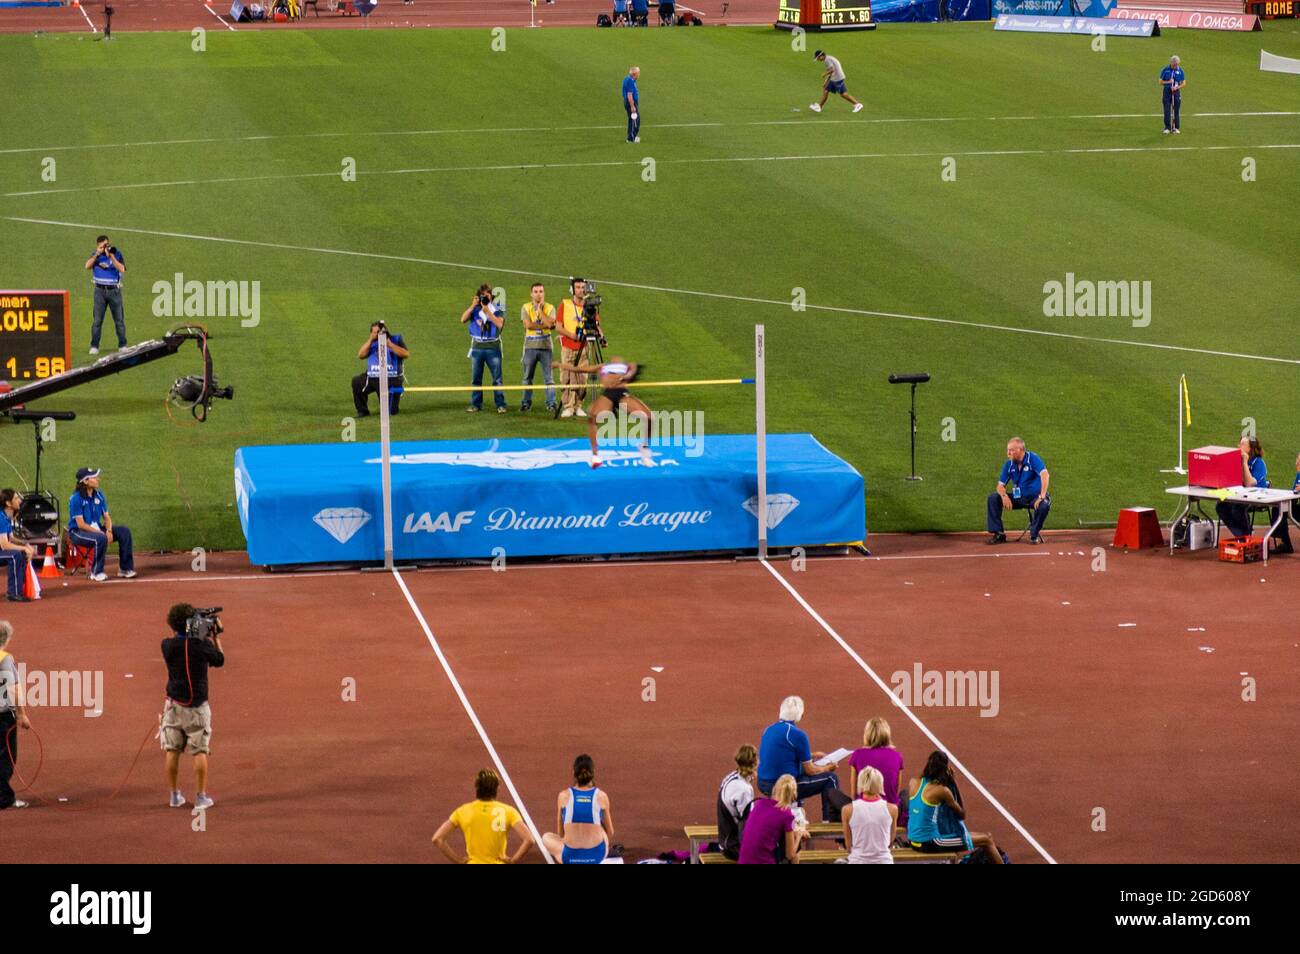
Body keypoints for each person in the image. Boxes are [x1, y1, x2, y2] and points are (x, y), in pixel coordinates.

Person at [161, 603, 225, 810]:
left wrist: (196, 630)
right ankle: (200, 797)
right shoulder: (201, 645)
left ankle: (174, 796)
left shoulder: (167, 645)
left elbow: (182, 641)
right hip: (197, 708)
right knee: (199, 752)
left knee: (172, 750)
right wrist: (214, 636)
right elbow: (219, 660)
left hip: (173, 706)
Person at [756, 695, 847, 822]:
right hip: (780, 785)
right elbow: (810, 770)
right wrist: (828, 767)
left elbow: (783, 752)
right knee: (831, 778)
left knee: (798, 775)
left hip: (763, 782)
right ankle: (828, 822)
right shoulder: (798, 734)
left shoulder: (769, 729)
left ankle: (795, 814)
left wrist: (811, 755)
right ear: (800, 713)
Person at [554, 356, 653, 469]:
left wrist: (627, 376)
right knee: (592, 417)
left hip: (622, 394)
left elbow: (634, 369)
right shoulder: (602, 366)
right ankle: (595, 456)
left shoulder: (626, 366)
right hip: (608, 394)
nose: (616, 358)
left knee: (649, 417)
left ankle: (644, 447)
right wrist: (559, 365)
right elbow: (578, 369)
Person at [907, 750, 1003, 863]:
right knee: (987, 839)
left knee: (954, 840)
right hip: (930, 842)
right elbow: (962, 814)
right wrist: (954, 782)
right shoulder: (942, 791)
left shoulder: (913, 783)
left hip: (913, 840)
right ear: (944, 769)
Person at [432, 768, 534, 864]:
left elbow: (437, 839)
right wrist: (513, 860)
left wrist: (458, 861)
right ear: (497, 788)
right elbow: (529, 840)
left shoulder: (463, 811)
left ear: (477, 787)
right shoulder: (508, 811)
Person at [542, 754, 615, 864]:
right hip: (597, 857)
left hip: (570, 858)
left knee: (546, 837)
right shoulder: (601, 796)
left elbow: (560, 834)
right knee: (601, 829)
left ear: (573, 773)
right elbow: (610, 832)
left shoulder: (563, 796)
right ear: (593, 772)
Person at [67, 468, 135, 582]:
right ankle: (96, 572)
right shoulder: (75, 499)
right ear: (85, 481)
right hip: (78, 532)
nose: (98, 479)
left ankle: (125, 568)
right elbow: (81, 524)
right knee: (101, 538)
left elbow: (106, 517)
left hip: (97, 530)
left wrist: (108, 531)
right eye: (94, 477)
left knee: (124, 531)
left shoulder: (99, 495)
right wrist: (101, 533)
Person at [986, 436, 1051, 545]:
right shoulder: (1008, 465)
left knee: (1044, 505)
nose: (1008, 453)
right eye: (1007, 450)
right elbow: (1000, 486)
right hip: (1018, 498)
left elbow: (1045, 475)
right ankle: (999, 534)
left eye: (1011, 450)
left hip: (1035, 497)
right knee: (993, 498)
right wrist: (1003, 496)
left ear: (1020, 450)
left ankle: (1033, 534)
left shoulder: (1032, 458)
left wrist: (1042, 496)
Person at [848, 716, 906, 834]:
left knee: (833, 794)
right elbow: (895, 790)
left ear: (867, 734)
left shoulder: (857, 755)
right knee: (905, 794)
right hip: (889, 811)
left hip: (863, 812)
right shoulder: (897, 756)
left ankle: (841, 841)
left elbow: (854, 792)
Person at [555, 278, 601, 418]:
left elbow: (597, 325)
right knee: (566, 377)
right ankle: (568, 406)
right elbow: (558, 326)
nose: (581, 290)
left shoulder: (590, 306)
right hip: (568, 346)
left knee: (582, 378)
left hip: (584, 346)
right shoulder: (565, 304)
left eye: (583, 287)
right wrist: (571, 335)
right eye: (578, 287)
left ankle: (578, 405)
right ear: (573, 290)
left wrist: (602, 337)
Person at [738, 774, 808, 864]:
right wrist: (798, 835)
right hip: (764, 861)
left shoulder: (759, 803)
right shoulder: (786, 814)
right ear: (793, 794)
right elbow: (790, 855)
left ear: (775, 788)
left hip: (743, 860)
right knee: (794, 847)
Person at [460, 283, 508, 413]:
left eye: (487, 296)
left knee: (497, 379)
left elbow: (499, 324)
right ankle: (476, 404)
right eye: (482, 296)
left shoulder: (498, 309)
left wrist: (488, 312)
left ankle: (500, 404)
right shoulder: (475, 310)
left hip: (493, 347)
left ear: (491, 296)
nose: (485, 299)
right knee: (476, 378)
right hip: (477, 348)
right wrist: (472, 305)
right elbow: (462, 319)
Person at [0, 621, 31, 810]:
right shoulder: (5, 659)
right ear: (7, 639)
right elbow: (14, 689)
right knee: (5, 757)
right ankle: (4, 798)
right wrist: (21, 715)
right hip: (2, 717)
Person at [1216, 436, 1269, 541]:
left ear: (1250, 448)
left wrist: (1244, 462)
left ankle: (1246, 536)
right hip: (1240, 494)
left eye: (1242, 444)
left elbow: (1249, 484)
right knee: (1221, 506)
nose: (1239, 446)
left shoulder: (1259, 463)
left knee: (1238, 507)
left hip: (1257, 496)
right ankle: (1242, 535)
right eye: (1239, 444)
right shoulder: (1235, 460)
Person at [352, 322, 409, 418]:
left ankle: (391, 406)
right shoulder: (372, 343)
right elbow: (361, 355)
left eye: (378, 332)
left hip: (392, 378)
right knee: (357, 382)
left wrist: (389, 345)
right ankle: (362, 411)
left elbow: (406, 354)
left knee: (390, 412)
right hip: (373, 377)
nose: (377, 334)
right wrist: (370, 340)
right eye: (374, 332)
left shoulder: (396, 339)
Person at [843, 766, 897, 864]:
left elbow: (848, 845)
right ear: (880, 784)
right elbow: (891, 840)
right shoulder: (892, 809)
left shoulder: (847, 810)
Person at [83, 234, 127, 355]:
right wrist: (97, 254)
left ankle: (122, 344)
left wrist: (111, 257)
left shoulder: (116, 253)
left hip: (114, 291)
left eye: (107, 244)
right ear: (98, 246)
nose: (106, 247)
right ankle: (94, 346)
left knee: (119, 320)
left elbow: (122, 269)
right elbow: (87, 266)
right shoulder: (95, 255)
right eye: (103, 245)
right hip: (99, 292)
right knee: (97, 320)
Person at [519, 282, 558, 413]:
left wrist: (540, 310)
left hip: (546, 347)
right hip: (530, 347)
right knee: (527, 377)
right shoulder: (525, 307)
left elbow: (550, 325)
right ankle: (526, 403)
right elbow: (528, 325)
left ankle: (551, 403)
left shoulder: (550, 307)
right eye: (535, 291)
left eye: (541, 291)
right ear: (531, 294)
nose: (538, 294)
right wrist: (544, 325)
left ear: (544, 293)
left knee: (549, 378)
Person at [716, 743, 758, 861]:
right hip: (733, 847)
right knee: (773, 851)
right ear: (754, 763)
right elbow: (748, 823)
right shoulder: (744, 789)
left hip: (725, 839)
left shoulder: (732, 776)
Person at [0, 490, 36, 603]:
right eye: (16, 498)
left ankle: (22, 588)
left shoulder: (5, 516)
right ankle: (14, 593)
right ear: (8, 503)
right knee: (15, 555)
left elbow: (11, 538)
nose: (19, 500)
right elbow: (5, 545)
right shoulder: (1, 518)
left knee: (20, 553)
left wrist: (25, 545)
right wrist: (24, 548)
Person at [810, 50, 863, 115]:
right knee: (826, 90)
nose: (818, 60)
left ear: (821, 56)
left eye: (818, 58)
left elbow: (832, 70)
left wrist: (824, 74)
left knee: (843, 94)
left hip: (838, 78)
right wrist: (826, 82)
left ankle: (857, 104)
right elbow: (830, 71)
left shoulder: (827, 60)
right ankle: (819, 107)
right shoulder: (828, 58)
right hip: (834, 78)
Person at [1160, 55, 1186, 135]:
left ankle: (1176, 127)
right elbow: (1160, 82)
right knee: (1167, 110)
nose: (1176, 66)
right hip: (1167, 92)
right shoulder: (1165, 70)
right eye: (1175, 64)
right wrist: (1168, 82)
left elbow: (1184, 83)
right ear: (1171, 63)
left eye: (1177, 64)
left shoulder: (1180, 71)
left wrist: (1177, 87)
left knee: (1176, 110)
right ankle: (1167, 127)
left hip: (1176, 92)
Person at [622, 66, 641, 143]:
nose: (639, 74)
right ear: (634, 74)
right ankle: (631, 138)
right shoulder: (630, 81)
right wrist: (632, 106)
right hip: (631, 102)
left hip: (629, 102)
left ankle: (632, 136)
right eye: (638, 73)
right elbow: (629, 95)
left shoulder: (628, 78)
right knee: (635, 119)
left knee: (633, 119)